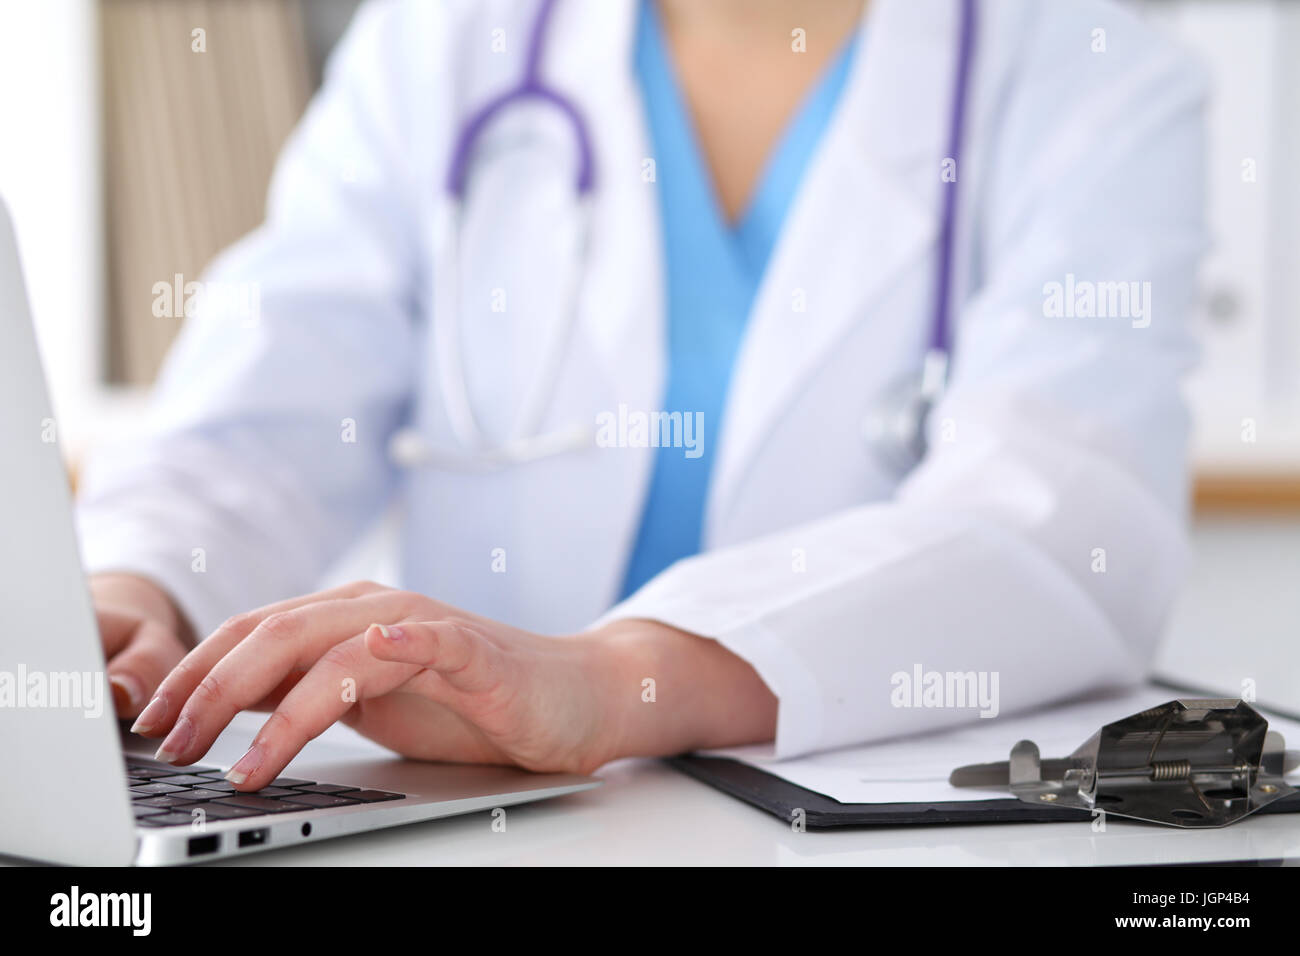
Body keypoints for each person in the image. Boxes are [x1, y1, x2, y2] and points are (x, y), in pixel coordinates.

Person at [80, 0, 1208, 789]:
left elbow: (1063, 521)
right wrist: (138, 588)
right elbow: (256, 414)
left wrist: (614, 679)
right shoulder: (445, 39)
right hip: (466, 825)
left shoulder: (1092, 73)